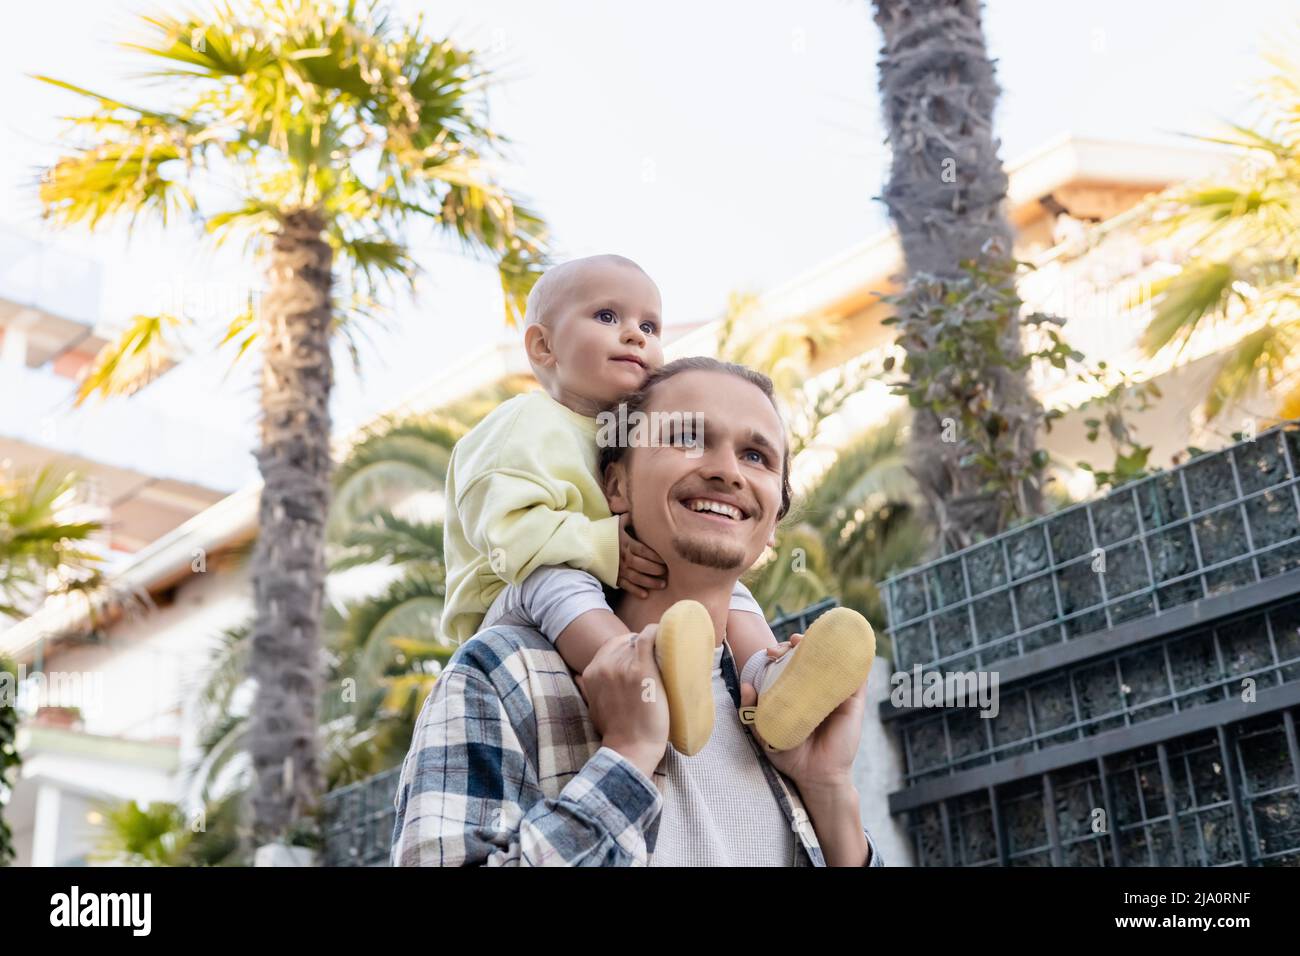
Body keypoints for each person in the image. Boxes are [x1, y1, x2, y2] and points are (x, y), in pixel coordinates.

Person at [391, 357, 883, 866]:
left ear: (773, 520)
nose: (726, 470)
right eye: (687, 438)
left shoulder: (782, 710)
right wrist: (627, 753)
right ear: (616, 485)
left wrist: (829, 788)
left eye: (756, 456)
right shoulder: (503, 674)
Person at [438, 254, 867, 755]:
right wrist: (602, 545)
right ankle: (642, 672)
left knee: (728, 590)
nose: (634, 335)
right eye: (606, 317)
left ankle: (770, 680)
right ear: (543, 345)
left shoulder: (621, 431)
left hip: (600, 576)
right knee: (556, 578)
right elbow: (510, 535)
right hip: (514, 590)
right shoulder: (522, 425)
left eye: (649, 325)